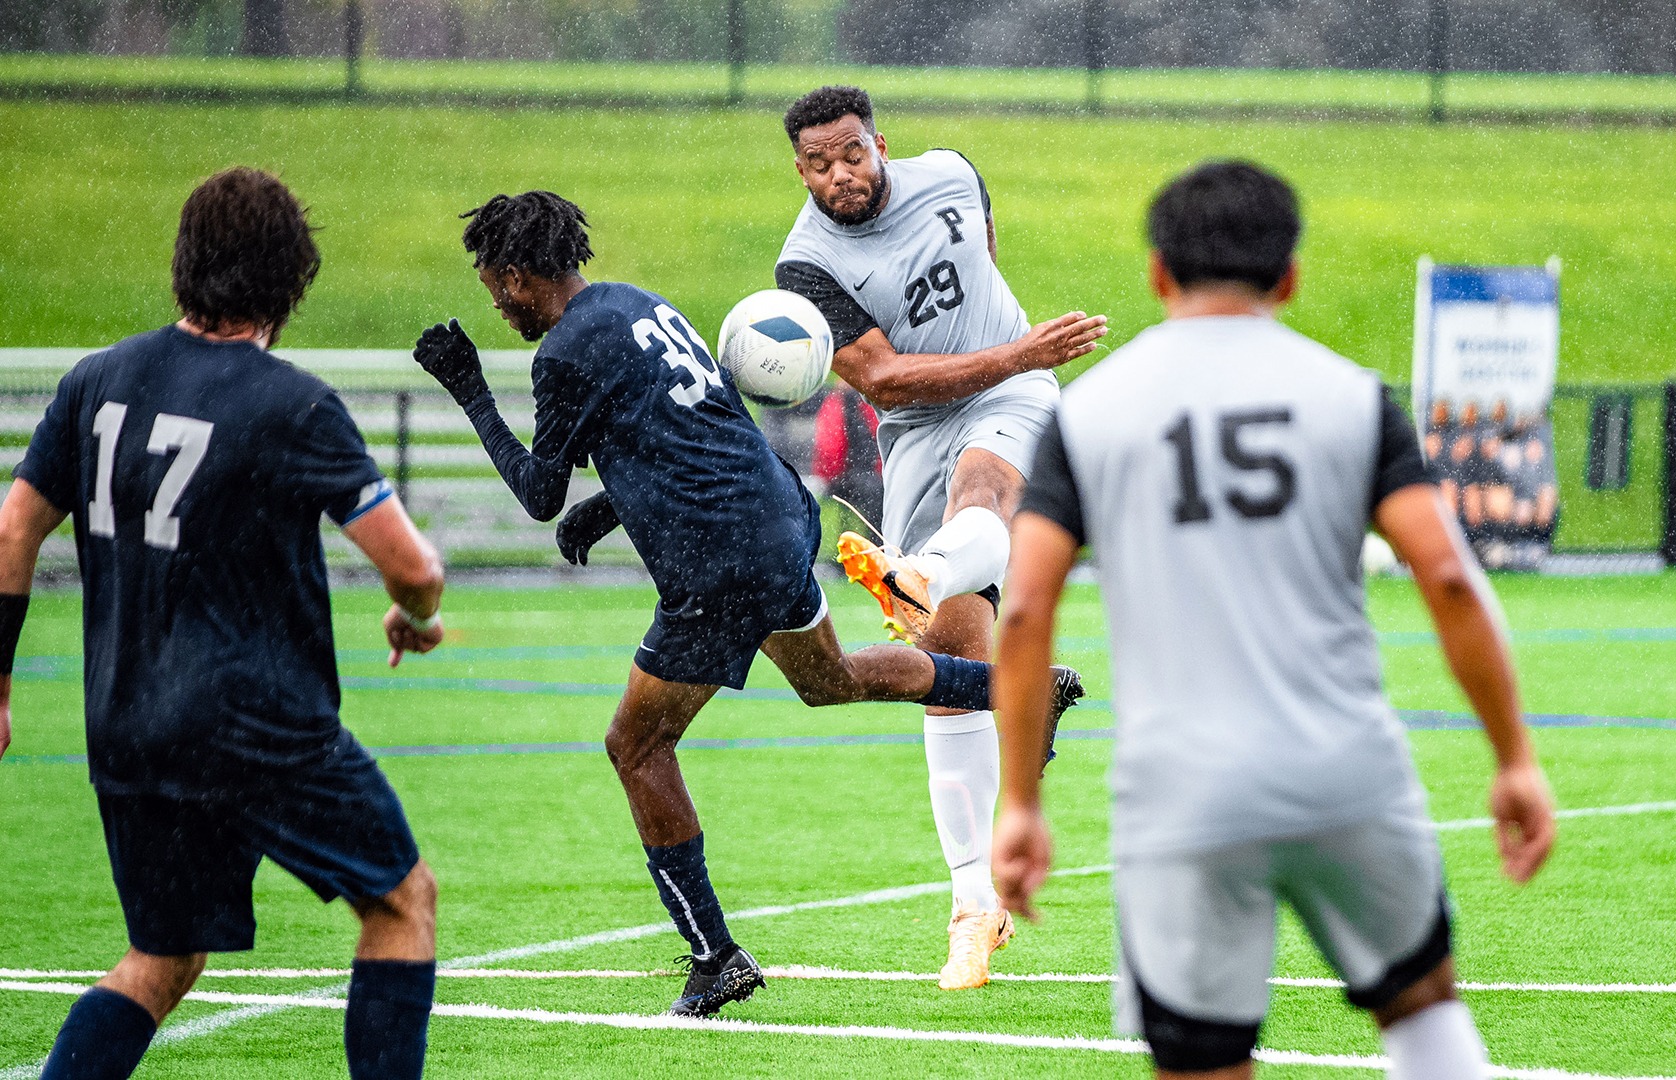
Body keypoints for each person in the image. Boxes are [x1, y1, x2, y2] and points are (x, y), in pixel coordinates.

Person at [409, 190, 1081, 1015]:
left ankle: (713, 955)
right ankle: (1026, 691)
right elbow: (689, 422)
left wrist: (467, 385)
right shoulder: (635, 305)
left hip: (713, 560)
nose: (495, 305)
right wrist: (610, 505)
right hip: (776, 514)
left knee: (636, 744)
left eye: (492, 289)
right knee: (828, 678)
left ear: (514, 277)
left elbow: (539, 493)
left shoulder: (561, 353)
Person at [992, 161, 1558, 1080]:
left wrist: (1021, 801)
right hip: (1346, 770)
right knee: (1422, 1013)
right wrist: (1514, 759)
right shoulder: (1351, 396)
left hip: (1184, 794)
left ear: (1157, 273)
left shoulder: (1091, 415)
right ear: (1290, 276)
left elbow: (1023, 613)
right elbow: (1450, 578)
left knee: (1205, 1062)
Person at [0, 167, 443, 1080]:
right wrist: (413, 614)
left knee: (162, 958)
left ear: (183, 266)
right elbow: (415, 565)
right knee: (401, 902)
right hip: (254, 724)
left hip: (126, 721)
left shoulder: (96, 383)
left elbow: (12, 531)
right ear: (292, 282)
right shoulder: (292, 403)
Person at [773, 84, 1107, 988]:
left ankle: (913, 573)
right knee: (953, 673)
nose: (838, 174)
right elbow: (882, 379)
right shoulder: (804, 271)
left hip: (1012, 395)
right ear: (798, 168)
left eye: (851, 153)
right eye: (817, 163)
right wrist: (1020, 350)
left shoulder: (954, 172)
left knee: (988, 489)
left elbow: (983, 262)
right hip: (917, 425)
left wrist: (1015, 366)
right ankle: (973, 905)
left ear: (880, 142)